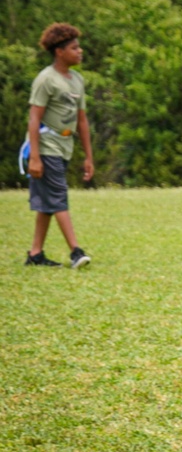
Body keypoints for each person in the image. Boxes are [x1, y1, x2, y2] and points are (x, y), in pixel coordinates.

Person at [24, 22, 94, 269]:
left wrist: (88, 156)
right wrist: (35, 156)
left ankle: (35, 254)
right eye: (74, 48)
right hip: (46, 146)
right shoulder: (46, 79)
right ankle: (75, 251)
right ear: (59, 52)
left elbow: (81, 120)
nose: (80, 51)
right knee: (58, 197)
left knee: (48, 202)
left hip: (65, 145)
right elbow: (34, 118)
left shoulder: (77, 80)